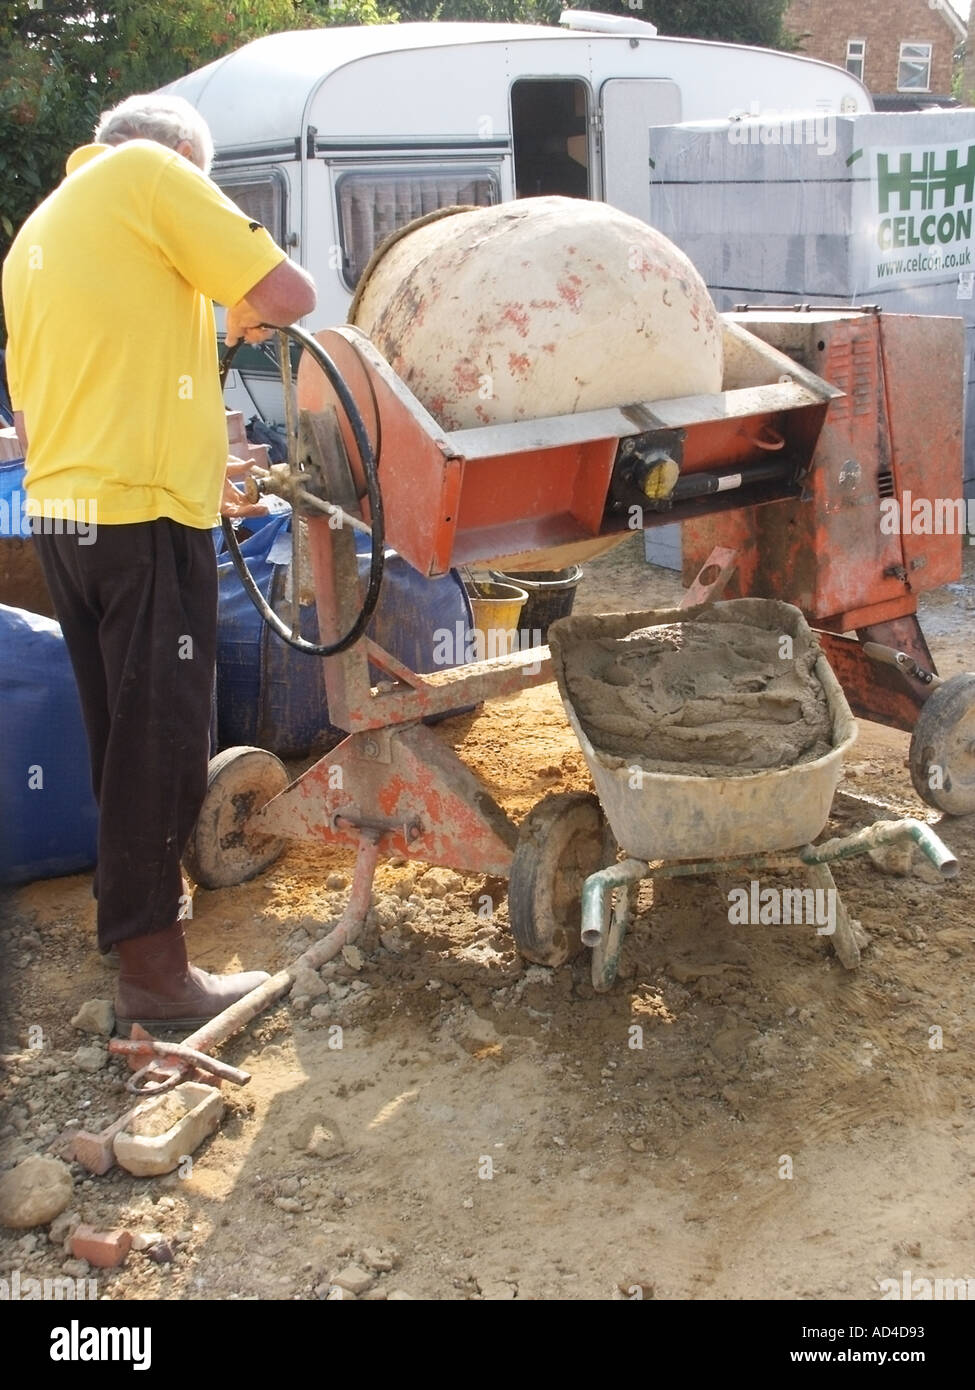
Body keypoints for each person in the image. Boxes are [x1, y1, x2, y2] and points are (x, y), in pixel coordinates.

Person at [1, 94, 316, 1030]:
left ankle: (132, 922)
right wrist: (244, 301)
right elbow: (289, 296)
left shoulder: (39, 233)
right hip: (138, 517)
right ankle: (154, 976)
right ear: (182, 153)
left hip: (67, 516)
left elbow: (61, 398)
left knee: (122, 736)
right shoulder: (152, 173)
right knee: (165, 744)